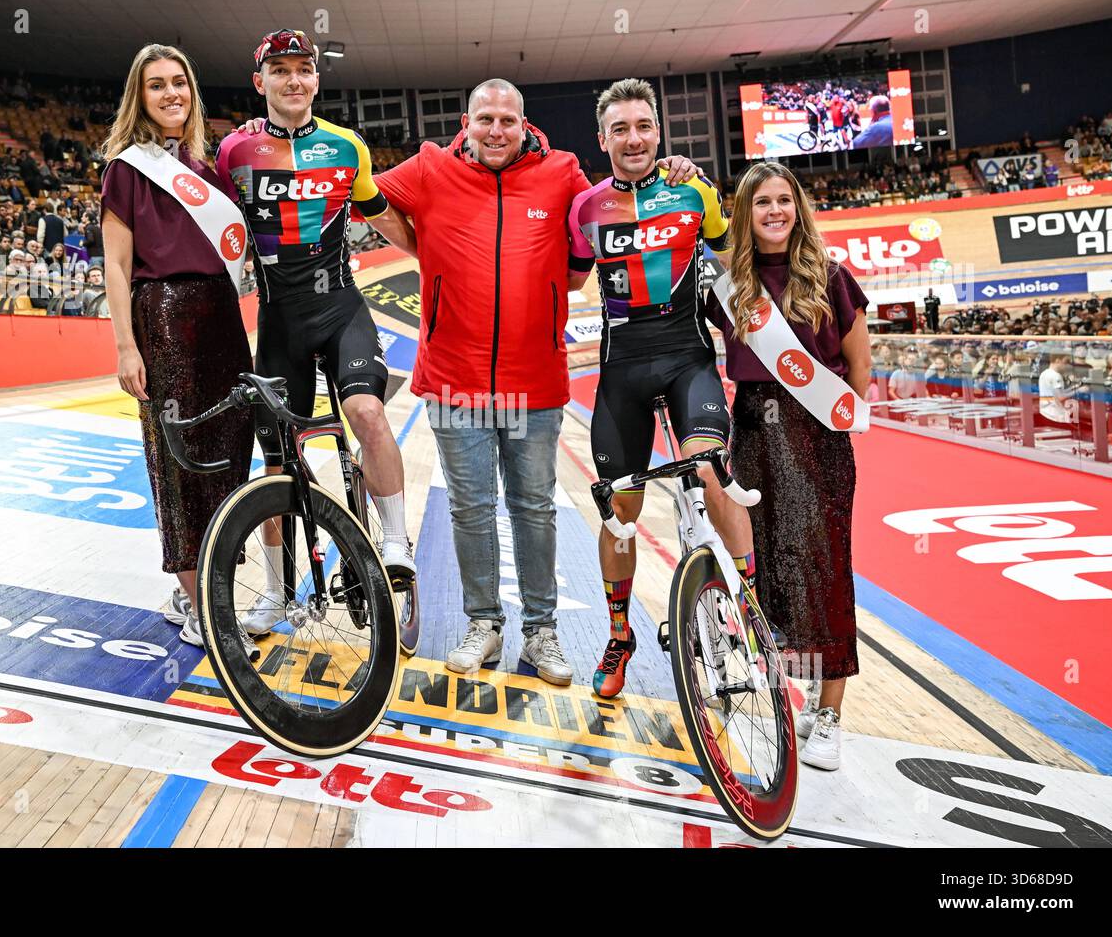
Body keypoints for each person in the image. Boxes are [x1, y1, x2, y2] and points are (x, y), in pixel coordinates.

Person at [371, 76, 701, 685]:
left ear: (525, 124)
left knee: (533, 509)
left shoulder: (563, 173)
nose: (496, 130)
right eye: (484, 119)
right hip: (452, 377)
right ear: (465, 123)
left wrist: (677, 170)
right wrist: (418, 244)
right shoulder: (428, 168)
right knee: (470, 509)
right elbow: (364, 197)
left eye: (507, 120)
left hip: (532, 377)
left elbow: (610, 211)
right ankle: (483, 623)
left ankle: (543, 631)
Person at [221, 28, 421, 635]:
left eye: (303, 69)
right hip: (279, 321)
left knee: (365, 411)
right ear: (260, 82)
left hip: (340, 310)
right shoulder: (235, 152)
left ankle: (395, 543)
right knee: (278, 463)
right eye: (279, 70)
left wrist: (434, 267)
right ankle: (280, 591)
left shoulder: (346, 147)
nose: (293, 80)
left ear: (316, 79)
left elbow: (380, 216)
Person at [566, 78, 751, 698]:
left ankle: (746, 604)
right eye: (620, 129)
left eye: (643, 125)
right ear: (603, 140)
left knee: (708, 471)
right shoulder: (586, 209)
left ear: (658, 132)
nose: (634, 138)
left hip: (688, 359)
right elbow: (565, 282)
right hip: (622, 371)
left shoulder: (694, 190)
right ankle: (620, 637)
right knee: (620, 513)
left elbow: (731, 258)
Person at [706, 160, 872, 771]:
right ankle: (787, 690)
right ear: (744, 214)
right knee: (766, 568)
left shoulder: (830, 277)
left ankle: (829, 713)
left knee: (825, 567)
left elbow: (859, 369)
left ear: (798, 209)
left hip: (817, 438)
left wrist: (834, 428)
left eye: (785, 200)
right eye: (761, 203)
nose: (775, 211)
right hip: (749, 430)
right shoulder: (729, 288)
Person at [101, 43, 257, 647]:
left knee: (227, 456)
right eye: (156, 85)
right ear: (139, 98)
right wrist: (125, 347)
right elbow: (116, 267)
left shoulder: (209, 167)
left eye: (179, 83)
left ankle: (196, 584)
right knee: (180, 462)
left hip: (221, 318)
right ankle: (205, 609)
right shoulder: (126, 167)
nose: (171, 94)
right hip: (163, 318)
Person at [1038, 353, 1075, 424]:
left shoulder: (1044, 373)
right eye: (1066, 362)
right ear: (1057, 361)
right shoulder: (1056, 376)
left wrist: (1074, 388)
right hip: (1055, 416)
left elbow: (1056, 393)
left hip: (1045, 412)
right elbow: (1061, 397)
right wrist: (1078, 391)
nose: (1067, 365)